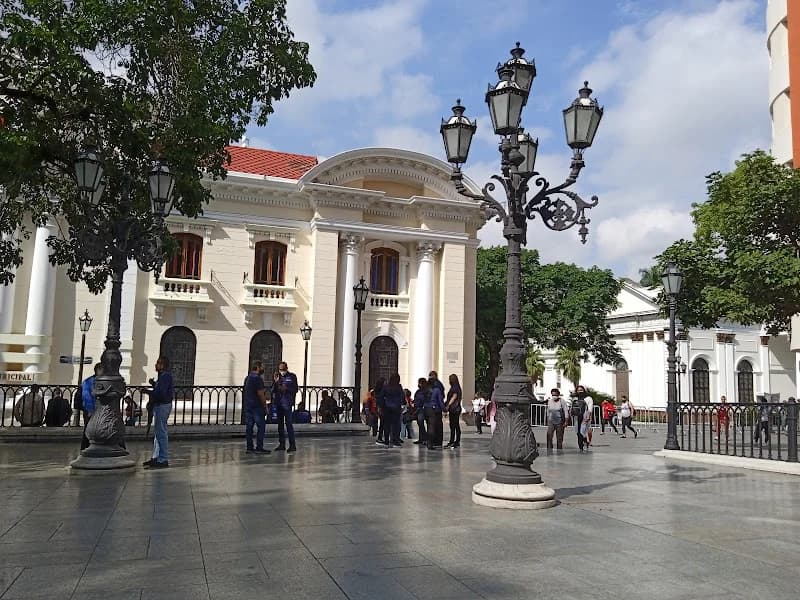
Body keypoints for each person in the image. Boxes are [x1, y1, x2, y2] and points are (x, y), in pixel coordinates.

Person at [143, 356, 174, 468]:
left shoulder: (166, 376)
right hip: (161, 405)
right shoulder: (163, 376)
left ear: (163, 366)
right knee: (158, 433)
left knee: (161, 432)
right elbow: (160, 389)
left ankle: (163, 458)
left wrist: (147, 392)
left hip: (163, 405)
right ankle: (156, 457)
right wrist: (154, 385)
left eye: (158, 363)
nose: (156, 365)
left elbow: (161, 393)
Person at [244, 361, 270, 454]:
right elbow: (260, 394)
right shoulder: (257, 379)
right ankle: (259, 447)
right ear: (258, 367)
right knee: (261, 427)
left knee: (249, 427)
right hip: (257, 407)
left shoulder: (248, 378)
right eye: (262, 367)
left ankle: (249, 447)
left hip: (248, 406)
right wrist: (265, 406)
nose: (263, 369)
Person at [271, 361, 298, 453]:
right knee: (280, 425)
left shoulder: (292, 376)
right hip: (279, 403)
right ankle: (282, 444)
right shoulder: (277, 377)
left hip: (287, 403)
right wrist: (276, 382)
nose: (281, 371)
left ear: (286, 368)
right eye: (280, 369)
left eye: (283, 369)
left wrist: (287, 389)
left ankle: (292, 445)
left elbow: (295, 389)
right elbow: (273, 390)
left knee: (289, 424)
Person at [79, 363, 103, 450]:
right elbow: (86, 396)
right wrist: (90, 410)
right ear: (98, 370)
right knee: (88, 429)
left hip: (99, 410)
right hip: (91, 410)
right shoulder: (89, 382)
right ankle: (86, 447)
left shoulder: (100, 381)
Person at [382, 373, 405, 447]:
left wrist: (382, 405)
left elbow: (382, 396)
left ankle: (386, 440)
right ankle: (395, 440)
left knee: (387, 425)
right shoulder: (398, 387)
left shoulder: (386, 386)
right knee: (396, 425)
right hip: (396, 408)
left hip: (387, 407)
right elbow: (402, 396)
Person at [424, 375, 445, 450]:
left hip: (426, 409)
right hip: (433, 409)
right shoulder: (437, 390)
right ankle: (430, 444)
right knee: (432, 427)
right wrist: (444, 409)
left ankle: (428, 442)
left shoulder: (426, 389)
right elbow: (440, 401)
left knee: (429, 426)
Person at [445, 374, 463, 449]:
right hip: (456, 408)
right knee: (455, 425)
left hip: (454, 409)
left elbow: (454, 397)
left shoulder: (455, 388)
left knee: (454, 425)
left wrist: (448, 405)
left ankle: (454, 441)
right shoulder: (456, 387)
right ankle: (455, 441)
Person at [374, 377, 389, 446]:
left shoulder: (377, 391)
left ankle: (380, 437)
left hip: (380, 408)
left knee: (382, 424)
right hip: (382, 408)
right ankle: (382, 438)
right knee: (384, 424)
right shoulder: (382, 391)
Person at [413, 380, 428, 445]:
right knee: (420, 424)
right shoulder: (418, 391)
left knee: (421, 423)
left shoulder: (425, 391)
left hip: (422, 409)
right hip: (417, 409)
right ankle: (421, 438)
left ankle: (425, 438)